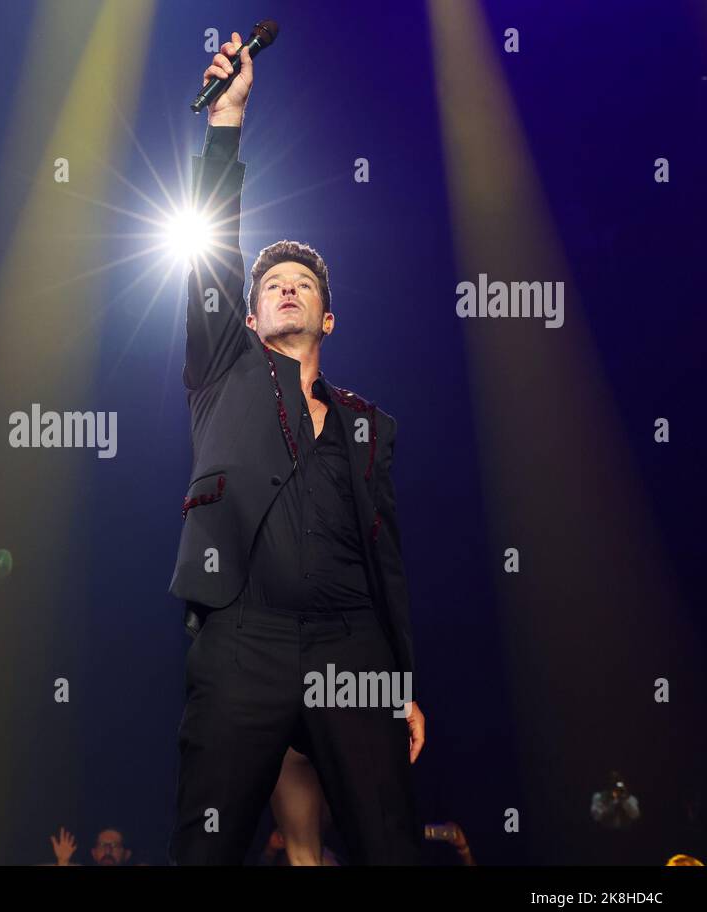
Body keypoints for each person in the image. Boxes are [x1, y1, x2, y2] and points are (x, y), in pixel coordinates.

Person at [168, 34, 425, 865]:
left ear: (328, 318)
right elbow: (210, 249)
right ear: (245, 317)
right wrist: (228, 124)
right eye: (271, 282)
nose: (285, 285)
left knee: (390, 844)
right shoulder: (221, 370)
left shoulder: (368, 425)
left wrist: (401, 682)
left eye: (304, 283)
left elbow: (387, 562)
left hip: (353, 643)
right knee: (205, 844)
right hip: (244, 633)